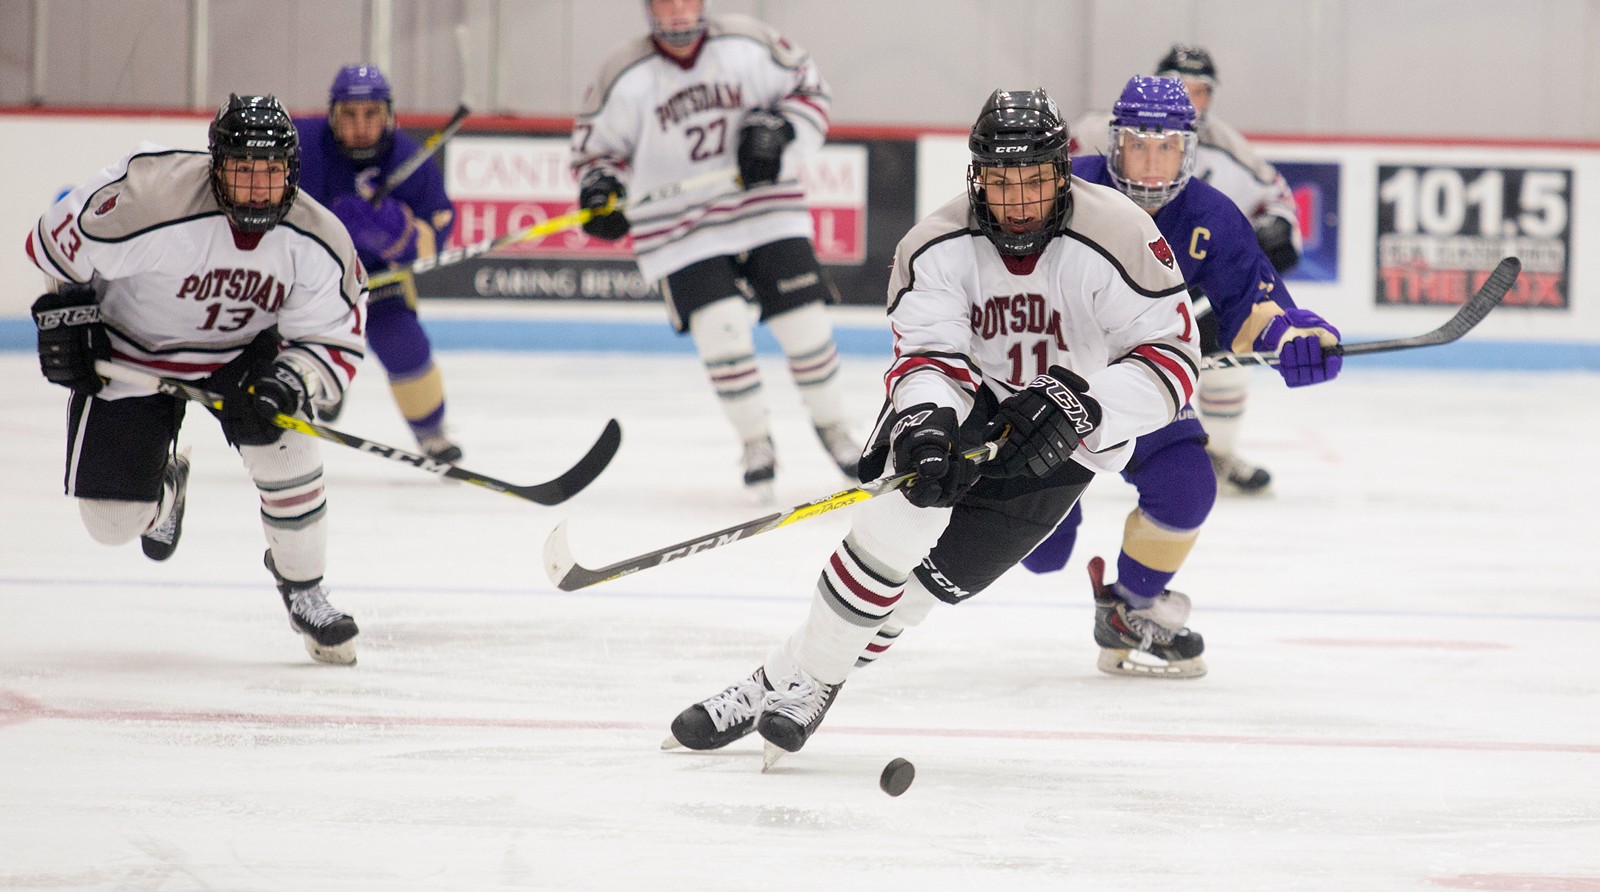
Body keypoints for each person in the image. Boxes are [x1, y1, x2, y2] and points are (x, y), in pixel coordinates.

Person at [664, 88, 1199, 760]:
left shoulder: (1121, 235)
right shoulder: (936, 244)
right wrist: (925, 421)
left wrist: (1083, 404)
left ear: (1061, 175)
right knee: (895, 527)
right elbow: (928, 357)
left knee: (922, 591)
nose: (1020, 200)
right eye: (1002, 183)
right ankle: (807, 687)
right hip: (968, 402)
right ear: (977, 178)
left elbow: (1175, 362)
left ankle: (779, 677)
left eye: (1035, 181)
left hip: (1073, 440)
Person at [1011, 76, 1340, 678]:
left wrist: (1292, 338)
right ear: (1115, 145)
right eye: (1140, 145)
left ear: (1189, 151)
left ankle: (1133, 610)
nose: (1153, 161)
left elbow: (1252, 304)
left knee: (1187, 488)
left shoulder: (1210, 215)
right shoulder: (1065, 189)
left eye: (1167, 147)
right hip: (1046, 389)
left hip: (1142, 386)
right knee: (1043, 552)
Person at [26, 94, 369, 665]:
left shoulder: (317, 238)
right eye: (242, 171)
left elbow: (334, 337)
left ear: (292, 172)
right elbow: (52, 245)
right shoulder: (149, 197)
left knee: (285, 446)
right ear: (216, 167)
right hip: (131, 351)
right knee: (111, 523)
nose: (259, 190)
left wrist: (291, 381)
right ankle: (166, 488)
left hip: (238, 354)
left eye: (272, 173)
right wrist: (71, 315)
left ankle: (304, 587)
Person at [570, 0, 860, 499]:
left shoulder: (749, 43)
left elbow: (810, 90)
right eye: (667, 3)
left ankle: (835, 430)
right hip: (678, 228)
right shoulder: (623, 73)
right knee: (721, 330)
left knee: (804, 326)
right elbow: (596, 152)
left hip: (764, 208)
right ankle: (755, 442)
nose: (679, 13)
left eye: (688, 1)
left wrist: (779, 130)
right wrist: (602, 189)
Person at [1072, 45, 1301, 495]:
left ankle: (1216, 453)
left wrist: (1279, 226)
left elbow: (1277, 198)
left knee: (1230, 358)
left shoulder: (1229, 149)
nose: (1191, 101)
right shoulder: (1093, 135)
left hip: (1181, 287)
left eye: (1201, 91)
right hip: (1091, 295)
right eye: (1181, 89)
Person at [294, 64, 462, 463]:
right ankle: (325, 387)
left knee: (404, 345)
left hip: (379, 281)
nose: (360, 126)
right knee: (291, 348)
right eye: (349, 114)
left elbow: (436, 230)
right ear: (332, 114)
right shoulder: (303, 146)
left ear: (388, 115)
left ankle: (431, 434)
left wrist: (398, 232)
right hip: (311, 281)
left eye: (371, 114)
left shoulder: (409, 158)